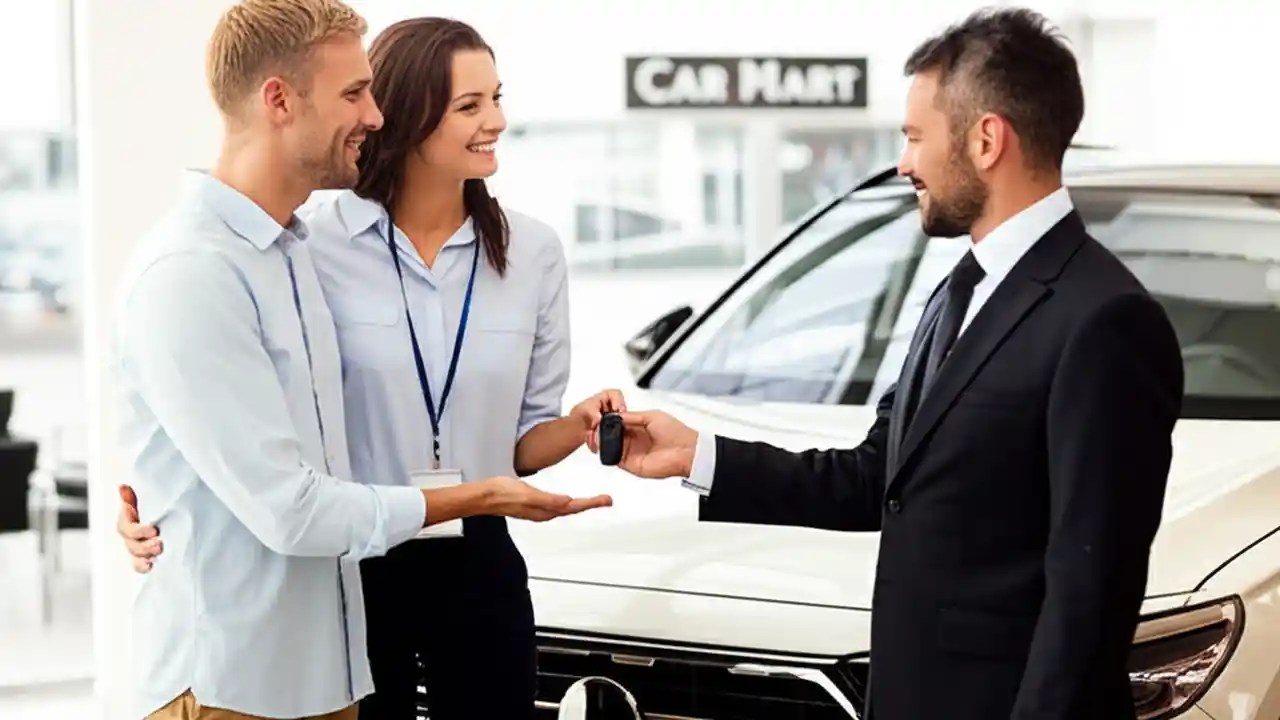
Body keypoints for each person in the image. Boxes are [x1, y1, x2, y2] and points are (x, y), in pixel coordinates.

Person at [592, 8, 1184, 720]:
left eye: (914, 137)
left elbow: (1090, 594)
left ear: (987, 139)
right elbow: (880, 479)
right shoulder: (958, 291)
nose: (905, 162)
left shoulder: (1105, 320)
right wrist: (699, 454)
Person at [118, 14, 624, 720]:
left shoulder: (526, 253)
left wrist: (569, 429)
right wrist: (157, 499)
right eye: (470, 105)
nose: (498, 121)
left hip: (457, 567)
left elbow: (514, 441)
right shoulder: (296, 248)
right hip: (349, 569)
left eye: (497, 98)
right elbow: (252, 456)